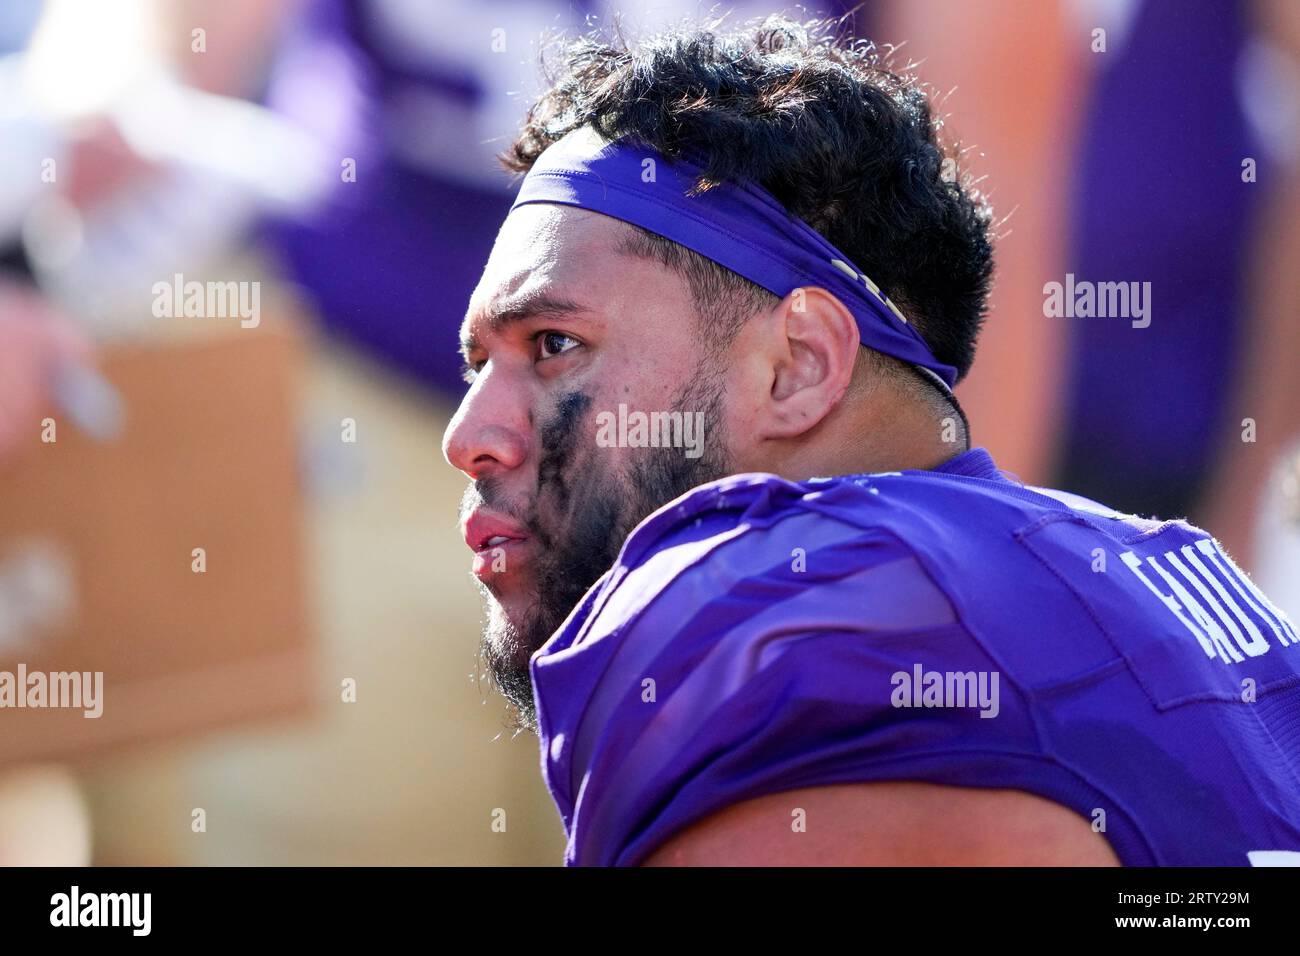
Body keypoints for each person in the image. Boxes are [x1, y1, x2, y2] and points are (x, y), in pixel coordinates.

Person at [442, 16, 1300, 866]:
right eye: (477, 364)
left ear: (801, 364)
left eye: (554, 346)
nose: (467, 435)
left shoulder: (770, 616)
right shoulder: (1191, 592)